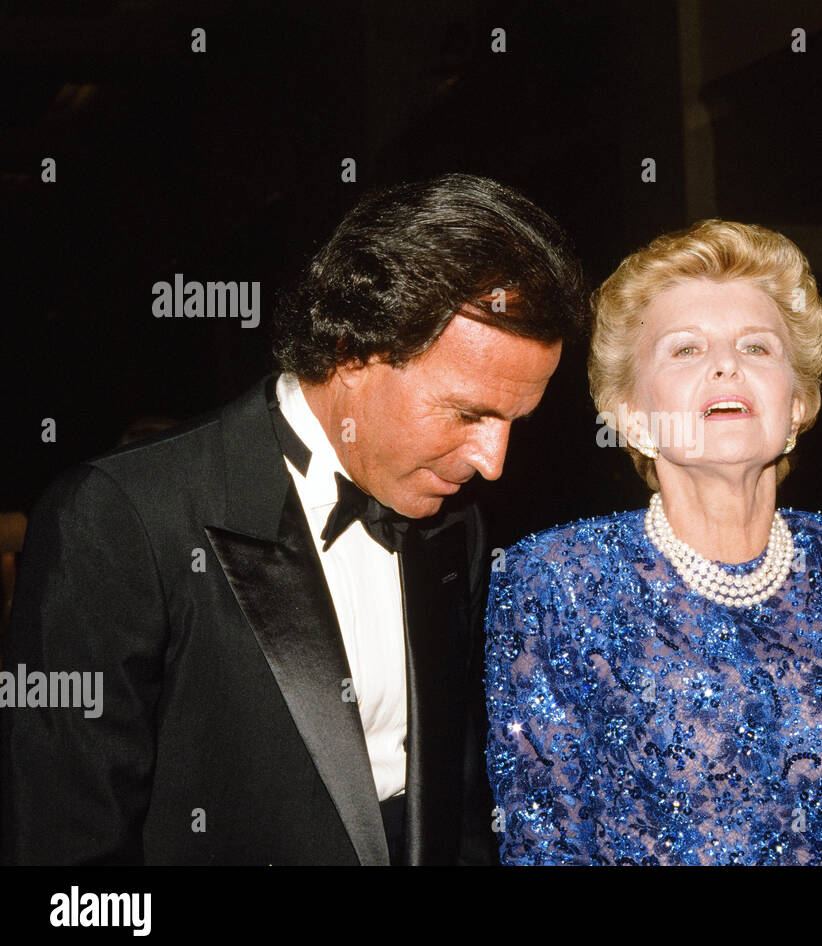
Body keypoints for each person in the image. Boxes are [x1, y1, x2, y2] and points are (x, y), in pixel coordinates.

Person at [0, 174, 587, 865]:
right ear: (354, 350)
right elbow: (66, 858)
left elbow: (452, 804)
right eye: (467, 414)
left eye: (515, 422)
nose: (493, 462)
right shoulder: (122, 516)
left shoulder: (454, 521)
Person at [484, 220, 822, 865]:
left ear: (797, 404)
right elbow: (547, 845)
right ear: (630, 414)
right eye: (685, 350)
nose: (726, 365)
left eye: (758, 348)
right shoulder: (555, 580)